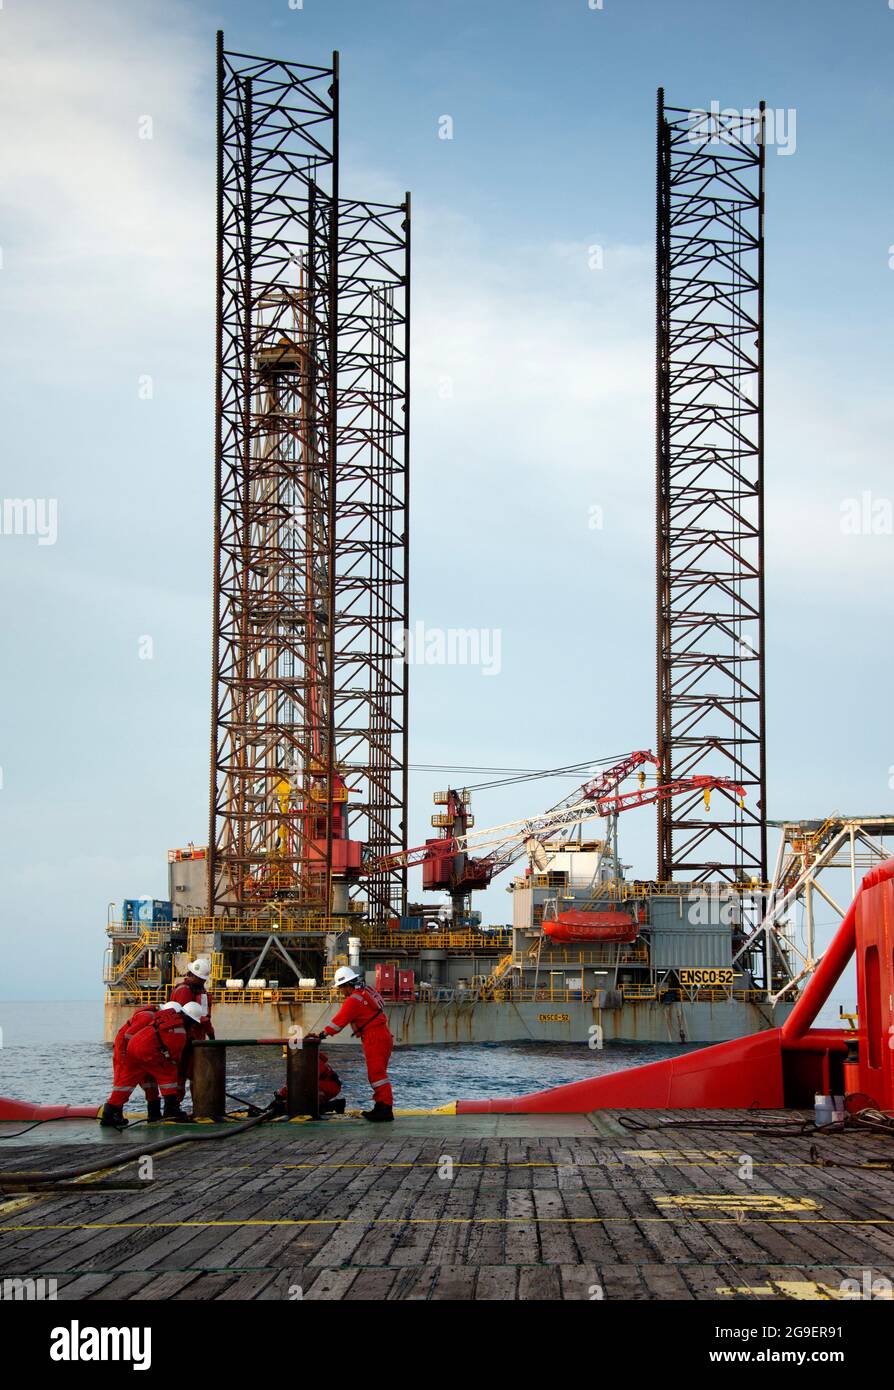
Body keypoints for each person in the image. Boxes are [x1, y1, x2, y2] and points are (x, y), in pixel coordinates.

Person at [306, 966, 394, 1122]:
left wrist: (321, 1034)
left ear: (347, 985)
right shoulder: (364, 993)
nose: (341, 991)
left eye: (341, 988)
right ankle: (381, 1106)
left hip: (374, 1037)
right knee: (377, 1074)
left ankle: (385, 1109)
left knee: (377, 1075)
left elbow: (338, 1023)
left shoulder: (353, 1000)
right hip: (381, 1035)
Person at [100, 1000, 204, 1126]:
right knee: (169, 1074)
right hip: (141, 1052)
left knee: (126, 1083)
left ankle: (110, 1113)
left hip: (132, 1051)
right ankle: (171, 1110)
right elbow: (174, 1058)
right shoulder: (178, 1031)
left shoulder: (161, 1019)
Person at [106, 1002, 163, 1123]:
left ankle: (154, 1113)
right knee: (124, 1083)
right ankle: (110, 1115)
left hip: (138, 1049)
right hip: (126, 1051)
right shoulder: (148, 1017)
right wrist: (130, 1057)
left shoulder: (154, 1018)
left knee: (149, 1080)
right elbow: (129, 1035)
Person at [170, 957, 214, 1106]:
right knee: (181, 1075)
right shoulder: (184, 991)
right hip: (185, 1042)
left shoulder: (199, 991)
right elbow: (185, 1018)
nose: (203, 982)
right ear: (193, 975)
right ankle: (174, 1107)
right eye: (201, 979)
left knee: (197, 1075)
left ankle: (199, 1107)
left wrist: (211, 1035)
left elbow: (204, 1017)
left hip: (196, 1041)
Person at [271, 1050, 346, 1115]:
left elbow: (304, 1082)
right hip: (324, 1085)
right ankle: (323, 1105)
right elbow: (292, 1082)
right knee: (303, 1094)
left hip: (330, 1086)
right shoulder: (304, 1060)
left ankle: (336, 1104)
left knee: (310, 1106)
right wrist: (281, 1096)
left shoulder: (313, 1061)